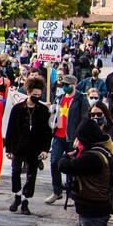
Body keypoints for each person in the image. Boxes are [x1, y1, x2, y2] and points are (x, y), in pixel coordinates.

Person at [5, 76, 51, 215]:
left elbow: (47, 132)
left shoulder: (43, 110)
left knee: (32, 174)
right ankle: (17, 196)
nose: (37, 97)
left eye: (39, 95)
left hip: (34, 147)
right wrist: (8, 148)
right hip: (19, 146)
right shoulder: (18, 109)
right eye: (34, 94)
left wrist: (45, 149)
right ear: (29, 92)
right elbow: (10, 129)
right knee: (16, 172)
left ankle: (25, 200)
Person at [45, 74, 76, 205]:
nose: (64, 87)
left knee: (72, 166)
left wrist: (79, 137)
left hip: (72, 138)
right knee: (54, 162)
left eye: (67, 85)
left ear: (73, 85)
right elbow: (53, 116)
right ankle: (57, 191)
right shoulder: (59, 98)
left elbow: (84, 118)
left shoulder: (80, 99)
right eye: (63, 85)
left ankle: (72, 192)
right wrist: (50, 109)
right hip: (58, 134)